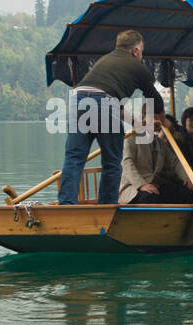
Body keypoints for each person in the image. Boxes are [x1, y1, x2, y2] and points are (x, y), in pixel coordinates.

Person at [61, 29, 165, 205]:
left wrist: (136, 123)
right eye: (142, 51)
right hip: (105, 102)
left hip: (77, 99)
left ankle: (66, 204)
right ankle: (107, 206)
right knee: (112, 161)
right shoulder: (138, 67)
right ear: (136, 51)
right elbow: (155, 100)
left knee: (74, 157)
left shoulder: (105, 60)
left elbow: (109, 99)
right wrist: (162, 123)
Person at [119, 114, 193, 205]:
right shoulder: (131, 139)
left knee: (188, 194)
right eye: (153, 117)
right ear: (143, 120)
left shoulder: (159, 143)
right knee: (150, 198)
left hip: (154, 186)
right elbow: (126, 164)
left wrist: (186, 177)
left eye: (158, 118)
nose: (157, 121)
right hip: (133, 188)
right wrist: (141, 185)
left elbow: (175, 162)